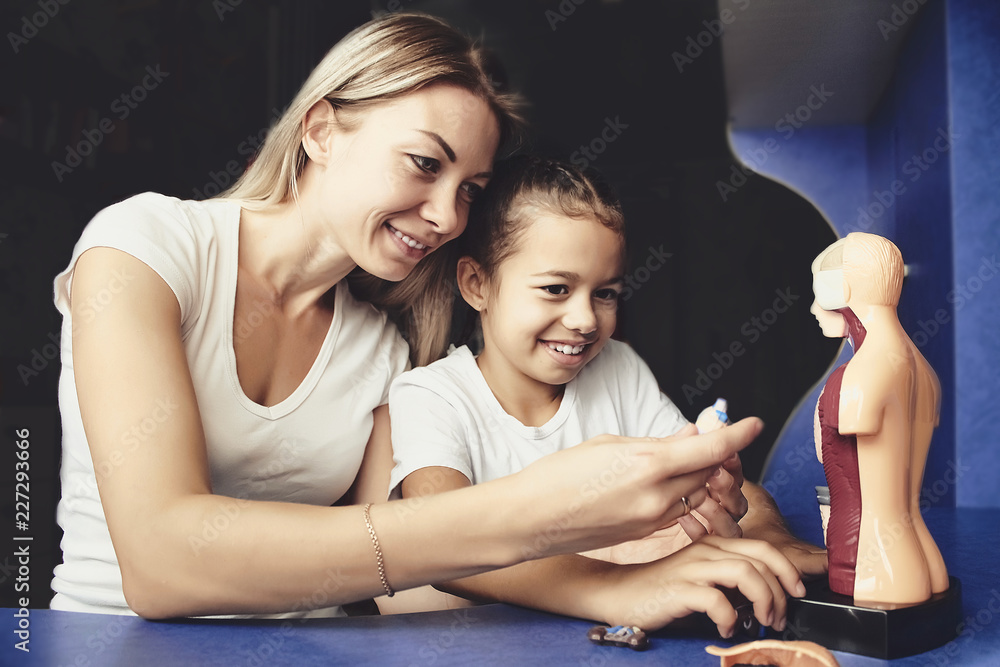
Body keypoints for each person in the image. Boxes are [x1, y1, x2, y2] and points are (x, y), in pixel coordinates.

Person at [49, 12, 788, 626]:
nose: (446, 216)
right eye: (424, 164)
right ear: (322, 132)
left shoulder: (381, 348)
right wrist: (547, 513)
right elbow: (163, 562)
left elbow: (406, 581)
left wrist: (626, 575)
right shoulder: (142, 249)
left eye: (471, 188)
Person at [388, 156, 825, 632]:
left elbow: (715, 489)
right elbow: (441, 543)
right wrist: (620, 576)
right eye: (556, 288)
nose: (586, 320)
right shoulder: (431, 396)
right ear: (477, 284)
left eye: (607, 293)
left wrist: (762, 537)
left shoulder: (618, 368)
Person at [810, 232, 947, 605]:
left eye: (818, 296)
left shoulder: (858, 377)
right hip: (917, 556)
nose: (812, 309)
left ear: (843, 290)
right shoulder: (924, 371)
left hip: (873, 569)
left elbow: (847, 473)